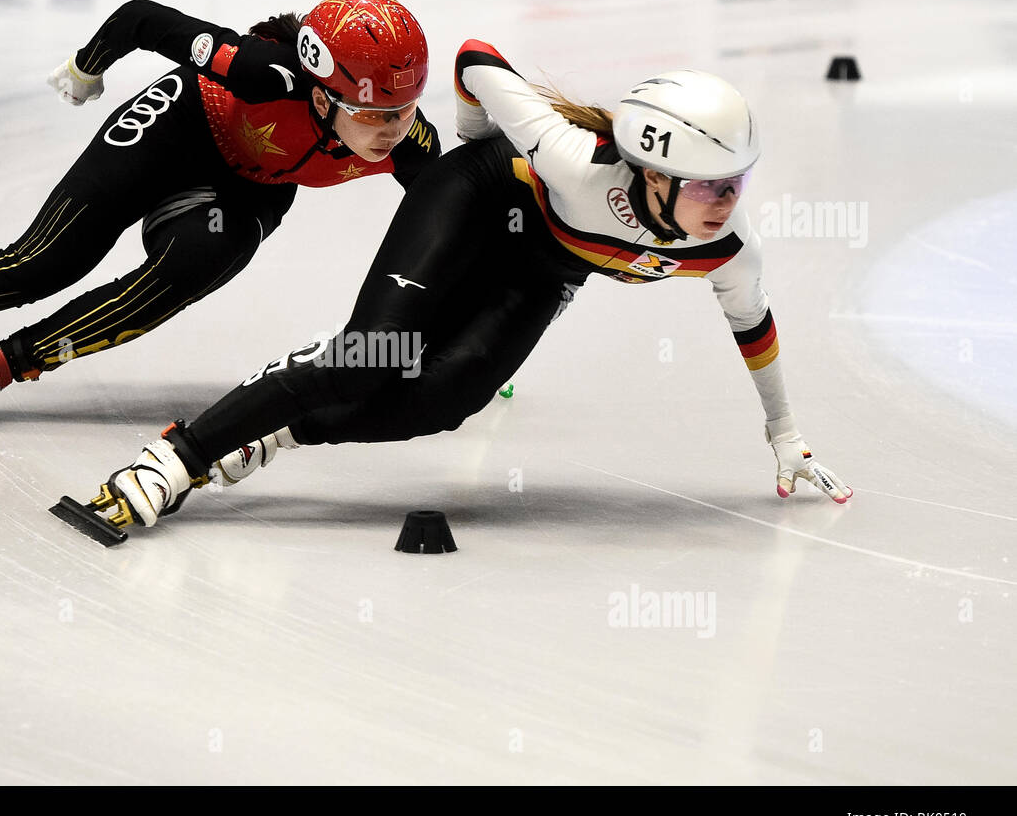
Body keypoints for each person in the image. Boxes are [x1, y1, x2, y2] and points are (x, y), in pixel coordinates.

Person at [64, 39, 851, 537]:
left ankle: (276, 433)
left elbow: (754, 327)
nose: (728, 201)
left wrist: (784, 435)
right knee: (373, 354)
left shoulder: (729, 252)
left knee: (444, 402)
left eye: (737, 181)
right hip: (473, 196)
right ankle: (178, 454)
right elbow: (475, 59)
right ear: (650, 173)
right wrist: (474, 142)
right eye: (709, 185)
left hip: (544, 266)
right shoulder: (569, 158)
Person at [0, 0, 438, 435]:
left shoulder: (411, 143)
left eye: (404, 110)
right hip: (182, 128)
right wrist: (86, 67)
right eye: (375, 113)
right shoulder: (262, 74)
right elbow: (141, 16)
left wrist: (463, 329)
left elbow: (445, 233)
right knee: (41, 264)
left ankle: (7, 362)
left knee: (185, 275)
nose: (393, 129)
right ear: (318, 95)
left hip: (243, 191)